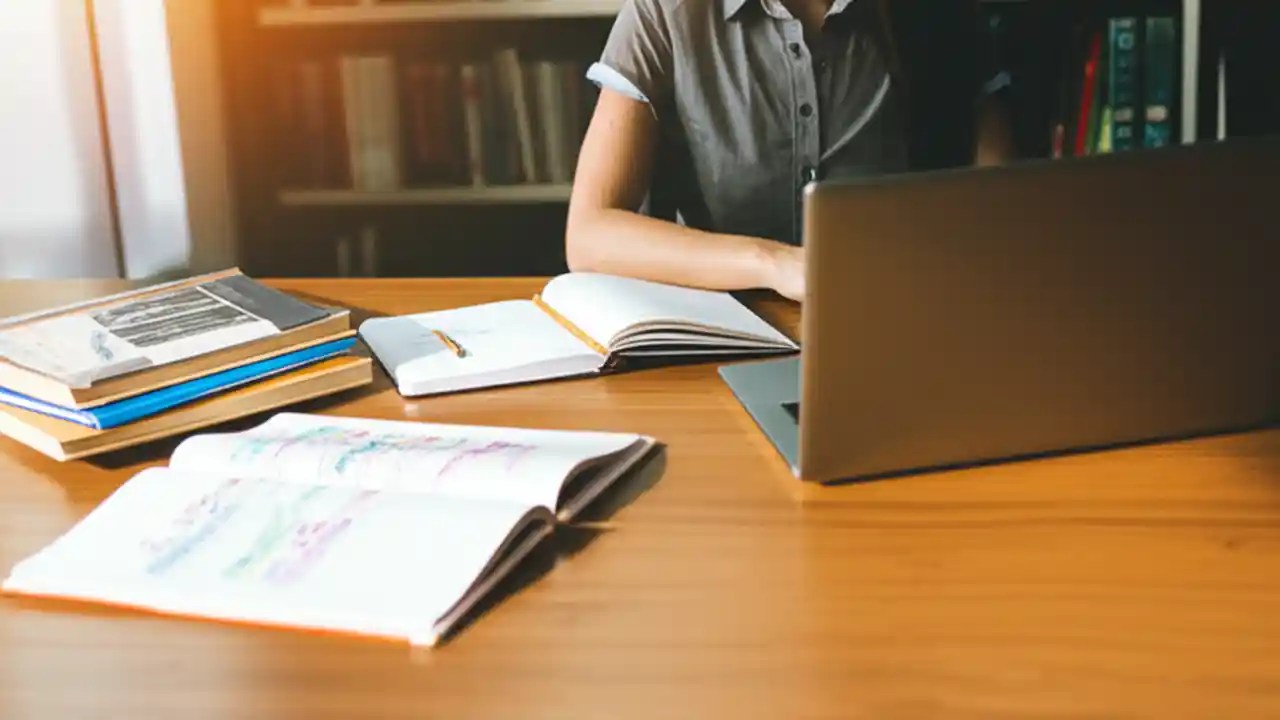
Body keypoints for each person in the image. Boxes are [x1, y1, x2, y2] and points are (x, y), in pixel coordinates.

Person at [566, 0, 1015, 301]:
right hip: (725, 338)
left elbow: (1006, 222)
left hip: (902, 321)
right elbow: (589, 233)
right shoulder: (667, 12)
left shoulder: (940, 15)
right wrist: (773, 263)